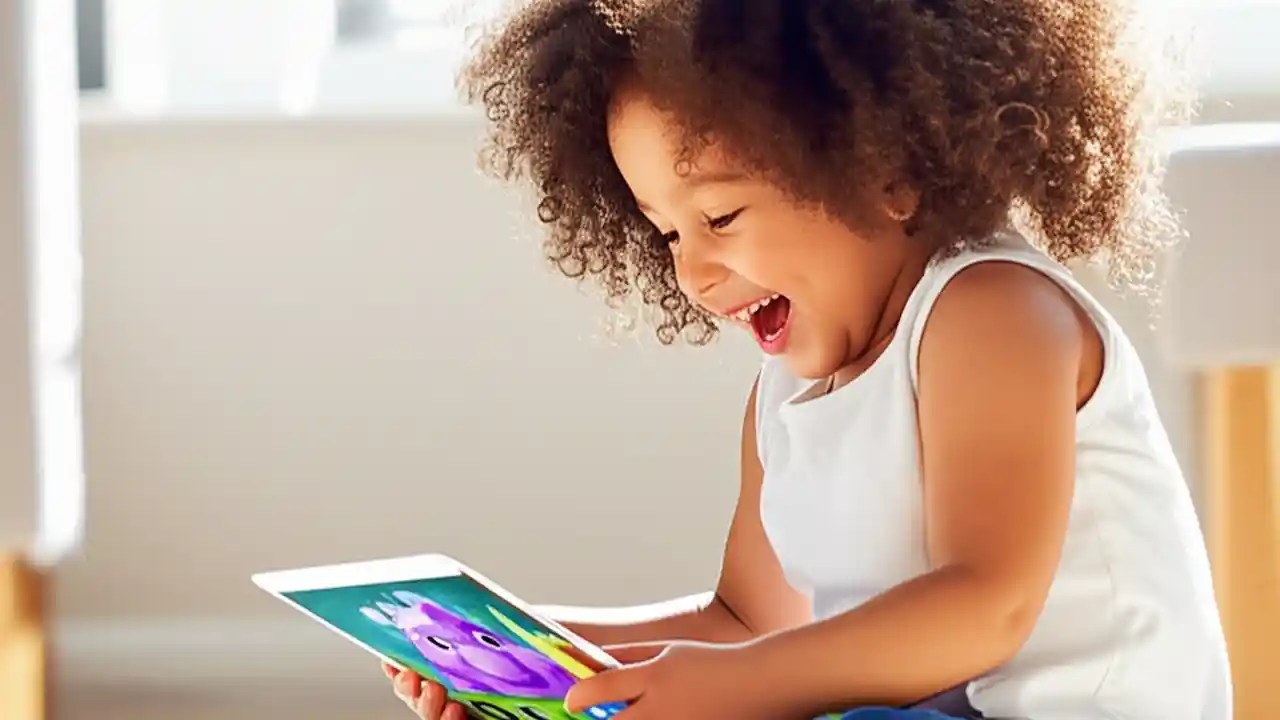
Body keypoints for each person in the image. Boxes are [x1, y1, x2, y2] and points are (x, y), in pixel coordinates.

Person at [385, 0, 1230, 718]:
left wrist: (736, 690)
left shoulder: (990, 313)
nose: (691, 271)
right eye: (666, 231)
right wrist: (528, 655)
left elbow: (987, 605)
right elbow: (747, 624)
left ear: (884, 169)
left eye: (719, 218)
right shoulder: (784, 397)